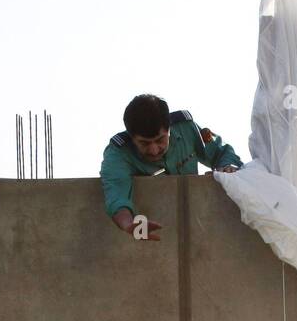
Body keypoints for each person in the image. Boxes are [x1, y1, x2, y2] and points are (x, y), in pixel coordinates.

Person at [100, 92, 243, 240]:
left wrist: (227, 167)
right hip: (154, 231)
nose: (154, 150)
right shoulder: (117, 154)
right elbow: (116, 195)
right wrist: (128, 224)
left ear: (170, 129)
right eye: (144, 143)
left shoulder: (186, 128)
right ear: (131, 137)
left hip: (199, 224)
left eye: (160, 140)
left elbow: (221, 152)